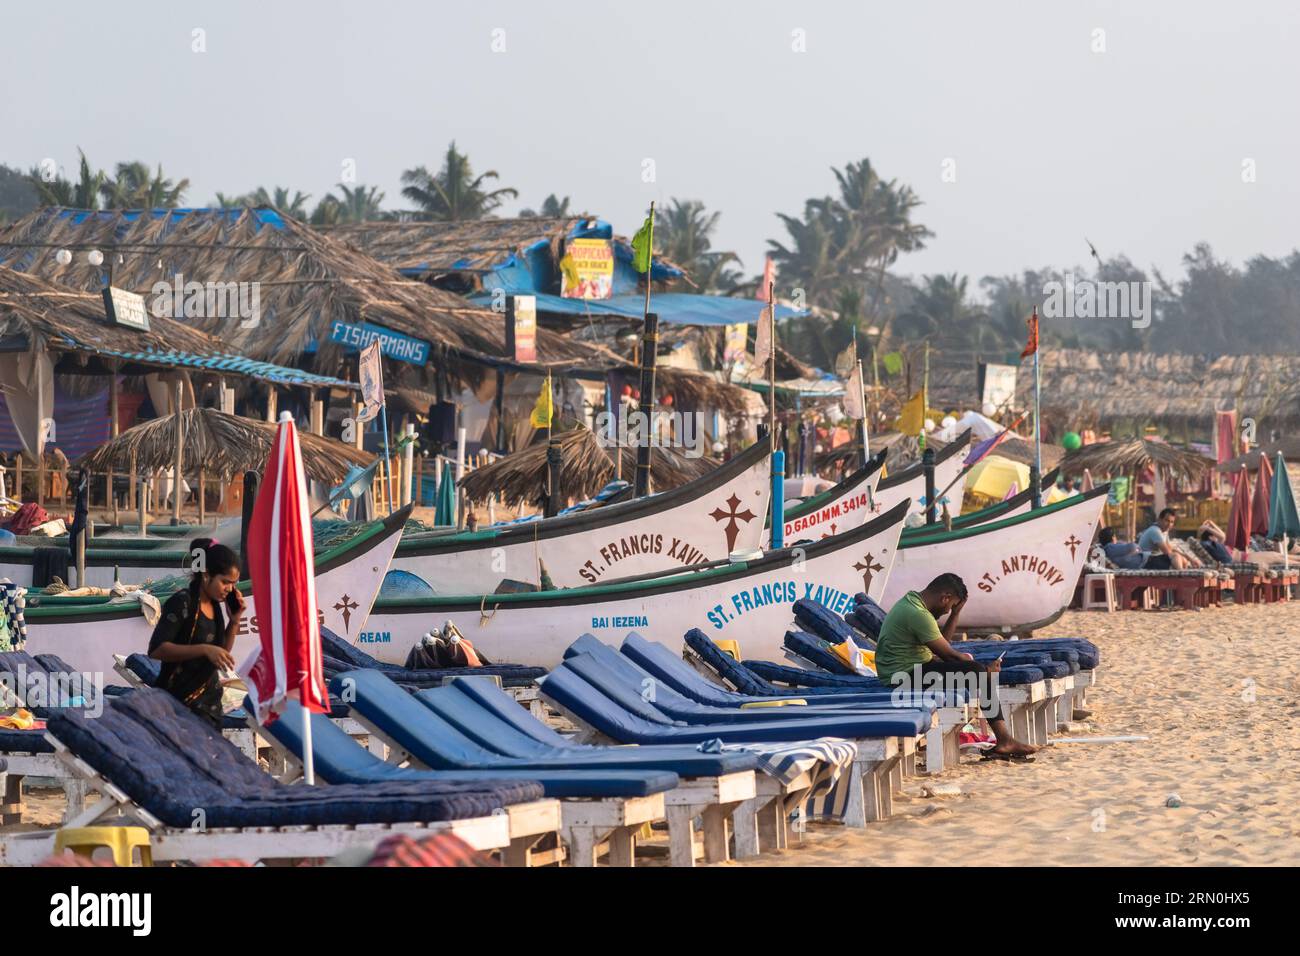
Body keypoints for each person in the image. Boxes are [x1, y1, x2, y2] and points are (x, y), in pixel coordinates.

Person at [873, 573, 1036, 760]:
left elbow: (944, 644)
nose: (946, 611)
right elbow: (949, 655)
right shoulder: (917, 614)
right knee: (975, 671)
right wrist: (984, 670)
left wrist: (955, 613)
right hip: (902, 678)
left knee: (971, 664)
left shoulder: (912, 602)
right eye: (950, 606)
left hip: (912, 669)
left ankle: (1005, 739)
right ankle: (1005, 740)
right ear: (945, 598)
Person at [147, 538, 244, 728]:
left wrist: (234, 621)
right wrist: (204, 649)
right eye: (225, 582)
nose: (230, 589)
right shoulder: (183, 602)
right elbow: (157, 649)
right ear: (207, 575)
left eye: (233, 584)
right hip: (177, 705)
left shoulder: (216, 607)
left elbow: (221, 654)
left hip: (209, 706)